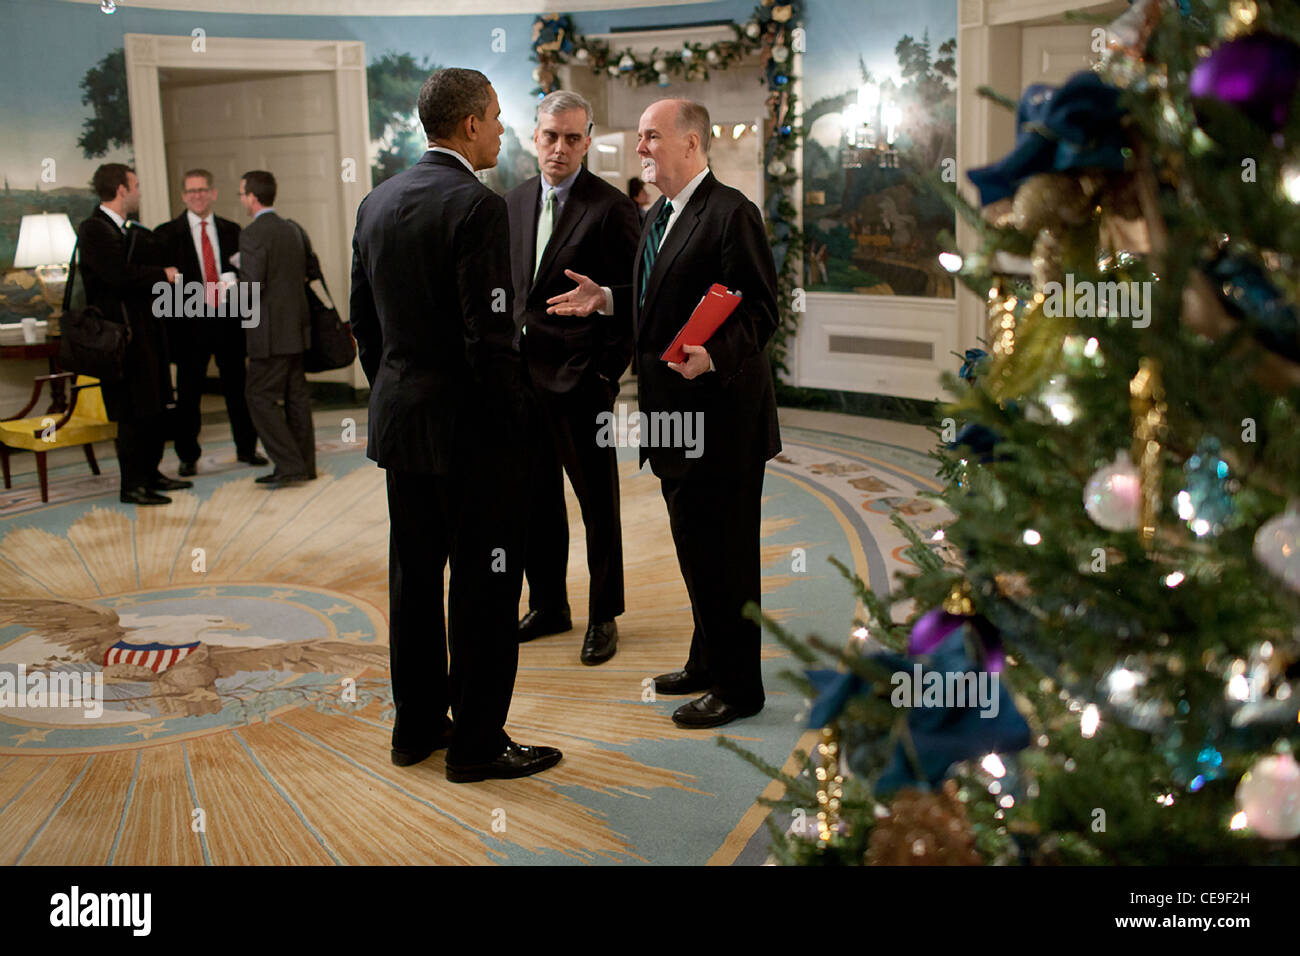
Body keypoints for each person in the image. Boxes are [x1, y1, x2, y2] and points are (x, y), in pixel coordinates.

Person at [349, 67, 562, 782]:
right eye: (497, 117)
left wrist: (402, 388)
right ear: (469, 122)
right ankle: (474, 744)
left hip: (402, 425)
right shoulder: (479, 206)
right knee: (484, 586)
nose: (502, 130)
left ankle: (414, 728)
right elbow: (490, 339)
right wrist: (516, 430)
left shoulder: (376, 202)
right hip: (472, 436)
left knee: (413, 579)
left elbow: (364, 326)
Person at [633, 98, 781, 729]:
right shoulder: (658, 215)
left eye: (651, 137)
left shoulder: (731, 213)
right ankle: (705, 659)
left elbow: (760, 311)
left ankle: (739, 687)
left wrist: (712, 358)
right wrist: (608, 299)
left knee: (726, 554)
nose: (642, 148)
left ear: (690, 145)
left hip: (721, 421)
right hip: (671, 418)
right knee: (694, 546)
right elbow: (660, 295)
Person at [506, 90, 640, 666]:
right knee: (535, 501)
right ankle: (550, 604)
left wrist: (607, 373)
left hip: (582, 380)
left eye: (571, 138)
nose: (558, 148)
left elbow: (635, 299)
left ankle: (603, 613)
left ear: (587, 141)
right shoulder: (509, 203)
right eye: (549, 136)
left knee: (596, 503)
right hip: (520, 383)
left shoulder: (611, 207)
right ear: (535, 139)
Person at [76, 163, 189, 506]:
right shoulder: (94, 229)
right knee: (131, 411)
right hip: (119, 340)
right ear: (122, 189)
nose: (139, 191)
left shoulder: (125, 230)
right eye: (136, 185)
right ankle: (133, 485)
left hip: (142, 333)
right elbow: (117, 275)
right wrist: (162, 273)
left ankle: (151, 473)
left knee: (152, 406)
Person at [154, 168, 266, 476]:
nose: (197, 196)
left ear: (213, 193)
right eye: (191, 191)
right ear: (183, 196)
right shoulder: (165, 234)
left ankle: (247, 449)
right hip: (189, 325)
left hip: (229, 320)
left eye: (202, 190)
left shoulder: (233, 230)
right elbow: (162, 286)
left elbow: (247, 275)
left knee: (238, 389)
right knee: (189, 394)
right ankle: (188, 456)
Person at [236, 170, 315, 485]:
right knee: (296, 397)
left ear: (253, 197)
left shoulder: (253, 233)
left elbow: (252, 285)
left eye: (242, 194)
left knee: (258, 396)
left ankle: (289, 464)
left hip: (269, 334)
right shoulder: (292, 229)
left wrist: (232, 284)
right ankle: (304, 465)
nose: (242, 199)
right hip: (296, 329)